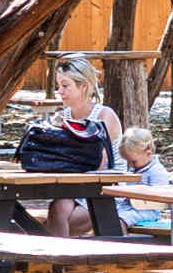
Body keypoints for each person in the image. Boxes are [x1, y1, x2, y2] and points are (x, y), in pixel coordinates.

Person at [33, 51, 131, 234]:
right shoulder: (66, 115)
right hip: (76, 186)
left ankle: (56, 258)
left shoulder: (104, 116)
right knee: (57, 209)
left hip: (107, 189)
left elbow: (97, 164)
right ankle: (56, 258)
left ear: (83, 87)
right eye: (58, 86)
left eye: (65, 86)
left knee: (51, 225)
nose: (59, 92)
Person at [111, 121, 173, 236]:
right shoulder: (132, 169)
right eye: (128, 161)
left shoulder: (157, 172)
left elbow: (159, 200)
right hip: (127, 207)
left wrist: (134, 194)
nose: (130, 165)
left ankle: (123, 248)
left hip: (148, 211)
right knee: (104, 216)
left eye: (133, 161)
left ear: (148, 153)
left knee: (119, 221)